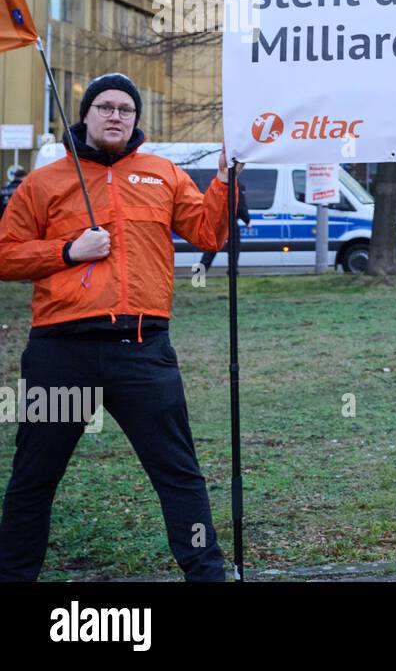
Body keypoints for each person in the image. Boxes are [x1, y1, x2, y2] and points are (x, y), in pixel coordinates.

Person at [0, 72, 234, 580]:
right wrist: (67, 250)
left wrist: (223, 181)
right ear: (85, 114)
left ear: (135, 121)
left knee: (180, 476)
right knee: (32, 480)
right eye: (105, 107)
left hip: (143, 352)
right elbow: (5, 255)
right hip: (62, 353)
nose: (115, 116)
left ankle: (208, 573)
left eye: (126, 110)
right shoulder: (43, 182)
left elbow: (210, 232)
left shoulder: (164, 174)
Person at [200, 179, 251, 271]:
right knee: (234, 249)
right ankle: (232, 272)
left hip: (216, 221)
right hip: (230, 222)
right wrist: (247, 220)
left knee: (211, 248)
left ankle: (200, 273)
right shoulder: (237, 185)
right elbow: (240, 206)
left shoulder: (217, 183)